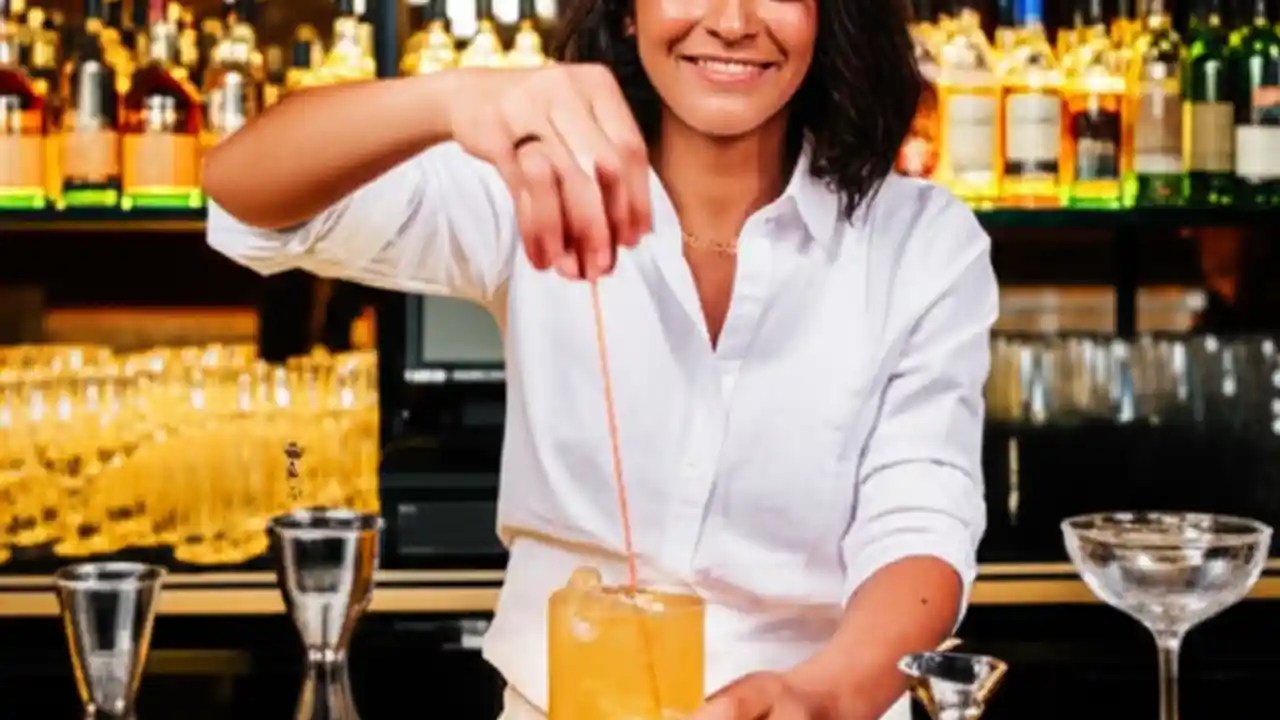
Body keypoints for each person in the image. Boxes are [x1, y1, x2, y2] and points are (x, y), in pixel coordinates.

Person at [203, 0, 997, 716]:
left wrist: (827, 693)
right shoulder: (533, 183)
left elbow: (919, 515)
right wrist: (452, 99)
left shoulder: (921, 243)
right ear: (626, 12)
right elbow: (248, 204)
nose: (730, 21)